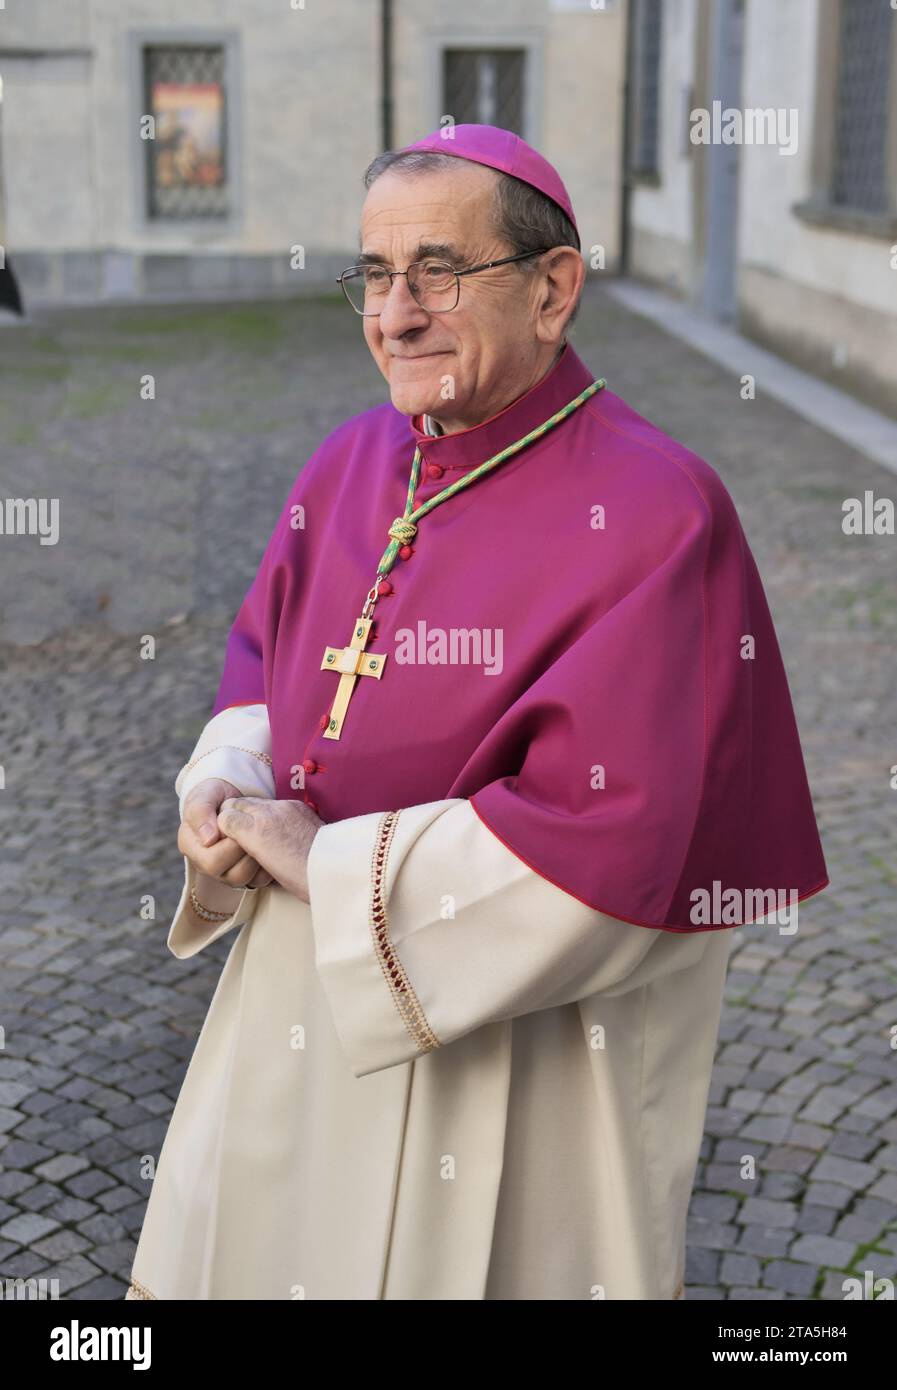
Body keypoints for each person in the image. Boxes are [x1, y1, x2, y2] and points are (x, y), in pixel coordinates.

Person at [125, 124, 828, 1301]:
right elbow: (263, 663)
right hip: (291, 1026)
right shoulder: (349, 462)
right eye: (375, 276)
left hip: (521, 1065)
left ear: (554, 288)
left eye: (439, 273)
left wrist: (334, 861)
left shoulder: (660, 515)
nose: (396, 315)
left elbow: (622, 838)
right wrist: (224, 784)